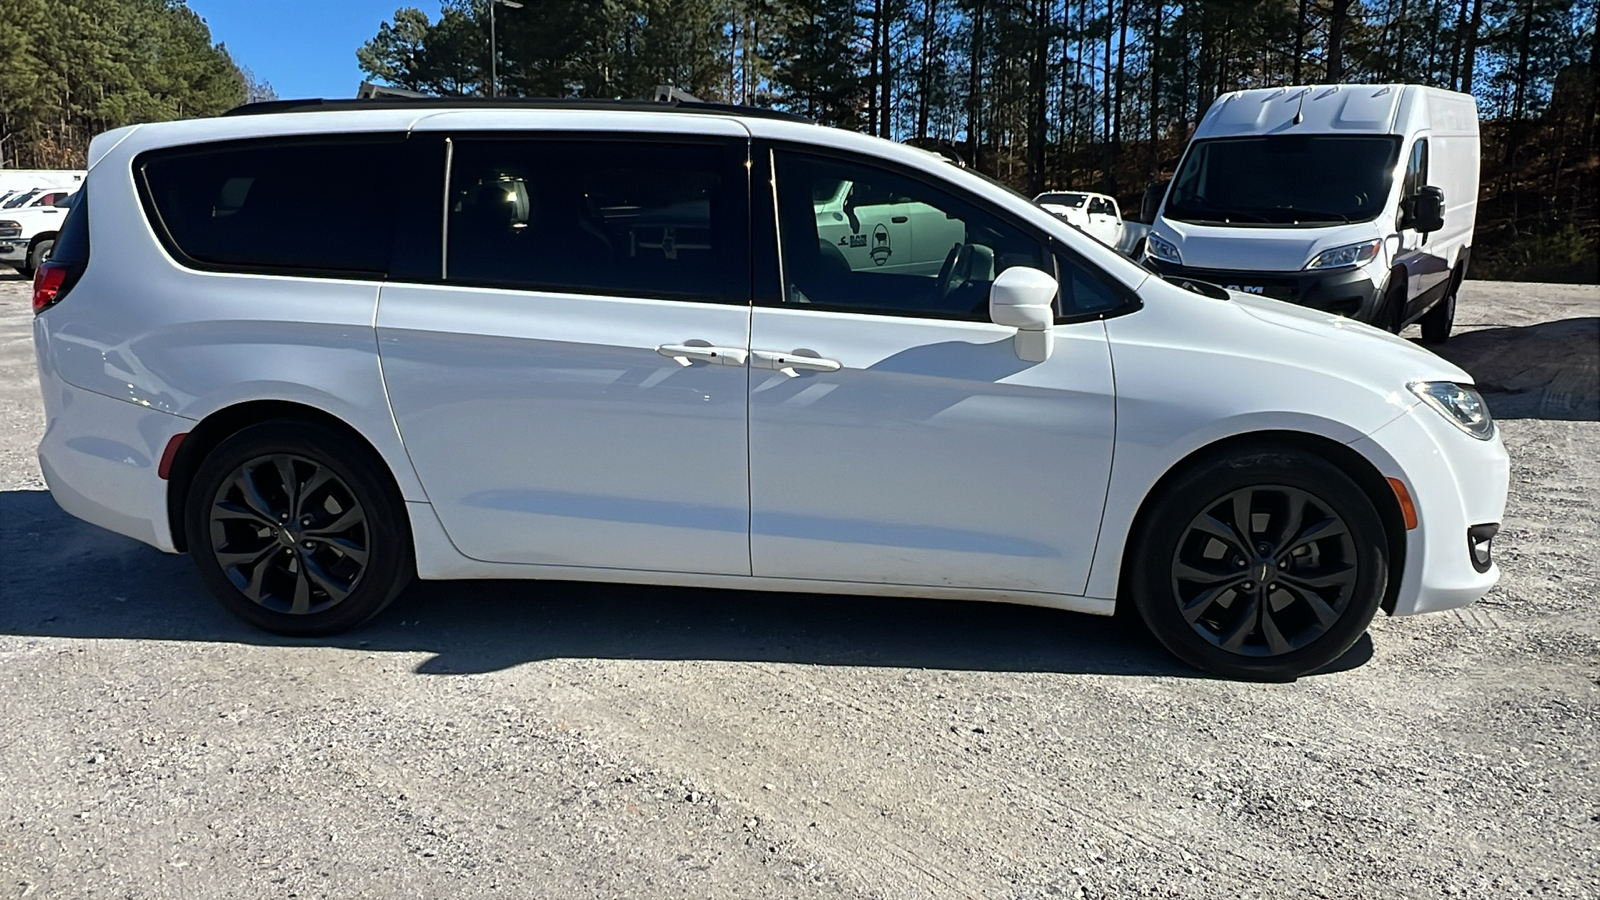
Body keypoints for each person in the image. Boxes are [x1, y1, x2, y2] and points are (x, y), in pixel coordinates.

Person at [1140, 158, 1179, 224]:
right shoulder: (1154, 190)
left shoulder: (1179, 189)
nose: (1168, 174)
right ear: (1160, 174)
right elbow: (1148, 216)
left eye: (1170, 171)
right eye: (1166, 171)